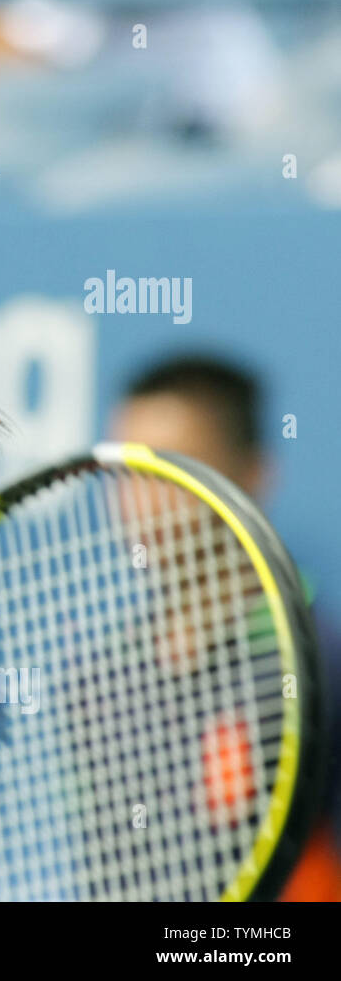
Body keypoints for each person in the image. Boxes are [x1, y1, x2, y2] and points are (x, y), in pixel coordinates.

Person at [109, 353, 341, 901]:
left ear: (252, 476)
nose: (145, 501)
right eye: (130, 472)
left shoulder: (322, 664)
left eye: (174, 468)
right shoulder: (100, 681)